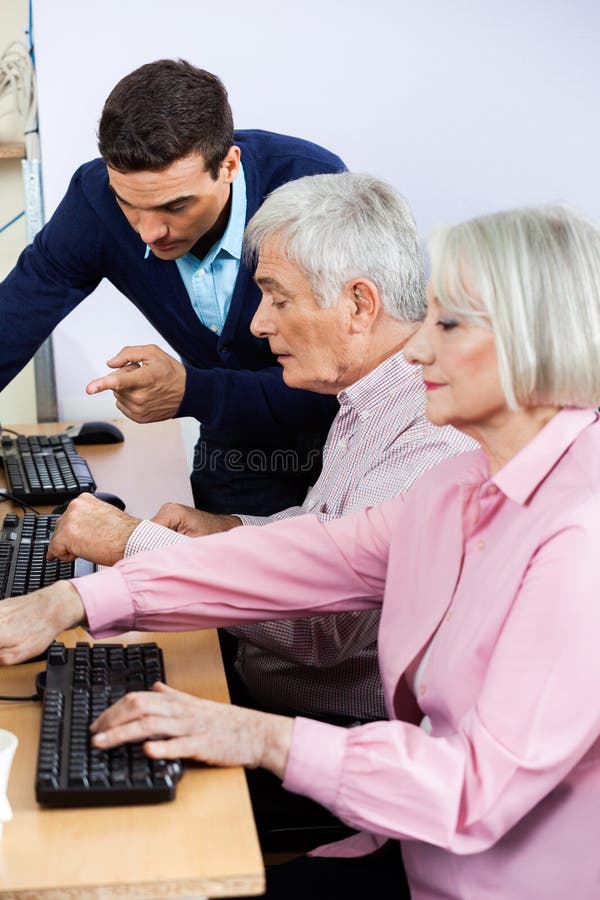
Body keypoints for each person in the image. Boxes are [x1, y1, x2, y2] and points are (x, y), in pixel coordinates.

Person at [3, 203, 600, 898]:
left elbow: (472, 792)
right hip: (409, 843)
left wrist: (258, 737)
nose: (414, 350)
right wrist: (79, 596)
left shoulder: (579, 536)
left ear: (533, 339)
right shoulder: (465, 480)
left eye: (446, 324)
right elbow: (311, 556)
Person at [44, 172, 475, 845]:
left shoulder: (433, 434)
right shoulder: (371, 394)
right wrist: (228, 529)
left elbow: (323, 629)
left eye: (277, 297)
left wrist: (133, 543)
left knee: (98, 829)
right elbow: (323, 538)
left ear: (359, 303)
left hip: (332, 738)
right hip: (272, 697)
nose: (257, 322)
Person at [0, 59, 345, 515]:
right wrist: (198, 393)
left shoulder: (312, 187)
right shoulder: (94, 200)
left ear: (228, 165)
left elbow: (340, 378)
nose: (149, 233)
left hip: (343, 434)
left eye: (176, 207)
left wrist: (192, 391)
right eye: (129, 204)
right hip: (235, 441)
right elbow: (16, 313)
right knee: (217, 558)